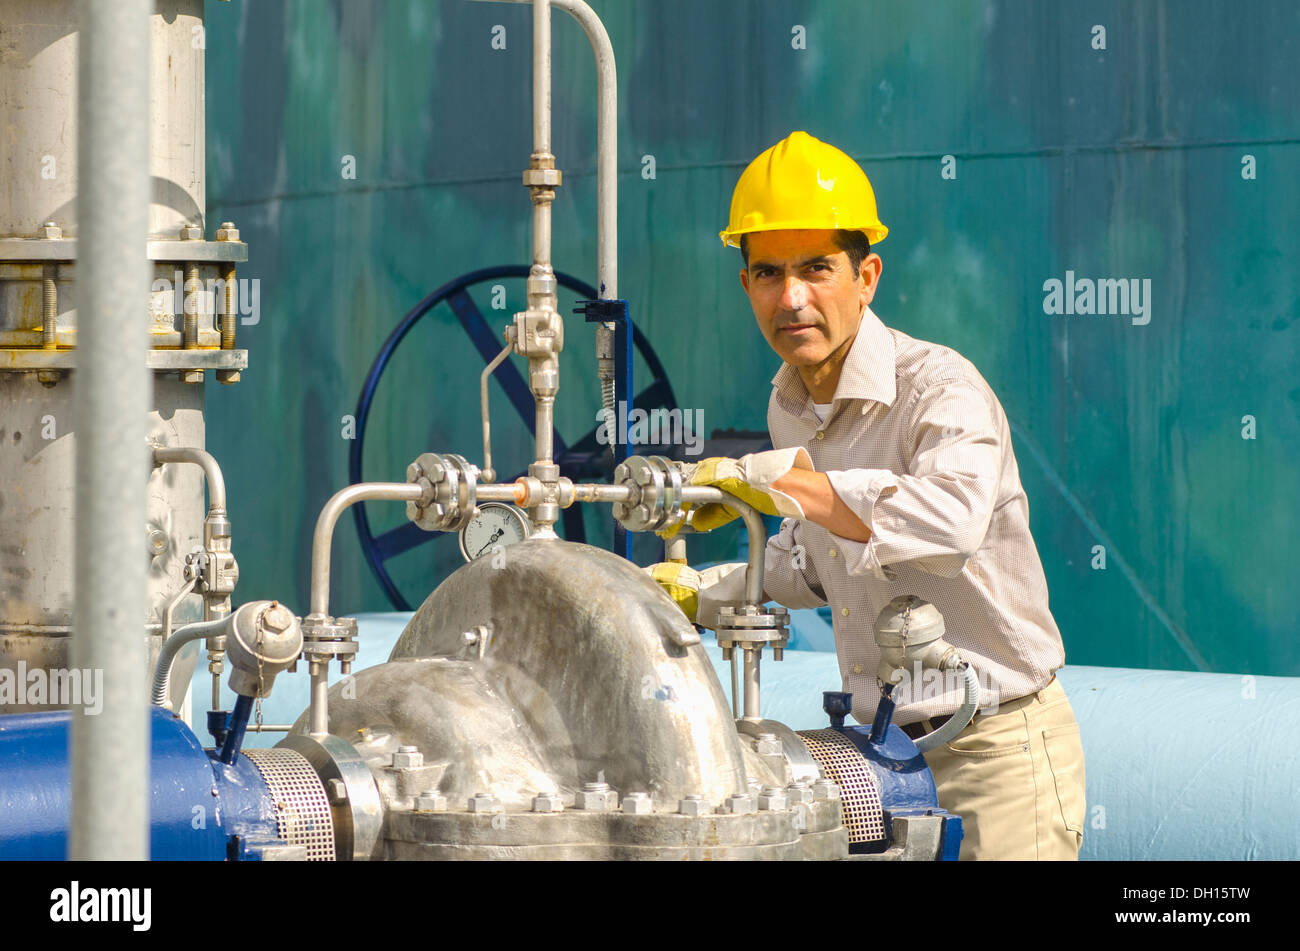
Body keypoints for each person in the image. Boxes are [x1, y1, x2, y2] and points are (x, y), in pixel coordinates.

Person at [651, 131, 1085, 860]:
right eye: (768, 273)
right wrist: (696, 592)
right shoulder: (789, 404)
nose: (792, 298)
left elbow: (948, 525)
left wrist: (776, 482)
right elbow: (812, 564)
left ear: (868, 275)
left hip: (994, 750)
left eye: (817, 268)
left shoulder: (940, 389)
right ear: (747, 285)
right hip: (880, 761)